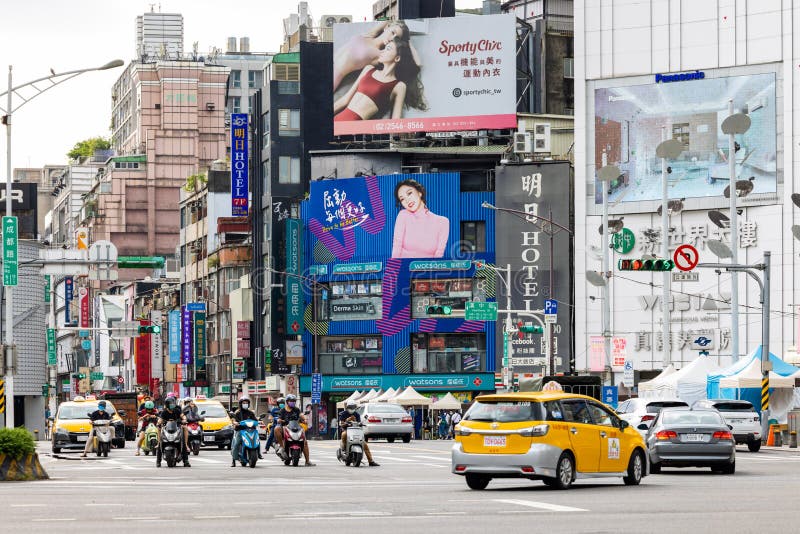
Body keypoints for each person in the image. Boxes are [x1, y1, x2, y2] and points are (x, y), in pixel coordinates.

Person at [334, 37, 426, 122]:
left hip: (354, 129)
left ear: (397, 58)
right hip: (337, 120)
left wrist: (408, 41)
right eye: (384, 48)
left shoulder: (399, 86)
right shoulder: (368, 69)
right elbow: (345, 100)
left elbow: (395, 122)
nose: (382, 52)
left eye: (388, 49)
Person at [333, 20, 417, 91]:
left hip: (335, 75)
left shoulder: (381, 54)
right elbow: (387, 18)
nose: (392, 38)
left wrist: (407, 41)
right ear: (387, 27)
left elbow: (418, 63)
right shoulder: (369, 35)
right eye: (392, 32)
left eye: (396, 38)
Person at [391, 179, 449, 258]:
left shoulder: (442, 222)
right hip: (404, 268)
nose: (407, 200)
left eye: (409, 193)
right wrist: (392, 270)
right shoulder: (403, 215)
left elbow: (439, 255)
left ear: (419, 192)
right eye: (402, 199)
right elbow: (396, 246)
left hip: (428, 269)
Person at [273, 394, 315, 466]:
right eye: (291, 401)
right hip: (285, 428)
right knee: (276, 429)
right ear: (287, 402)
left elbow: (301, 415)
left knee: (304, 442)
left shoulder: (296, 409)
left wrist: (304, 419)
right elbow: (279, 418)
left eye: (294, 401)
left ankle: (307, 461)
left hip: (296, 428)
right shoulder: (282, 410)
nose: (292, 402)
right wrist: (280, 420)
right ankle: (282, 446)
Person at [338, 401, 379, 466]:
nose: (352, 409)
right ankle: (344, 447)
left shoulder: (357, 414)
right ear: (347, 407)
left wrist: (360, 423)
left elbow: (359, 422)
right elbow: (341, 423)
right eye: (350, 407)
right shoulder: (344, 414)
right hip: (347, 430)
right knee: (343, 434)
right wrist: (346, 421)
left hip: (356, 431)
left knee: (365, 445)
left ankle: (371, 461)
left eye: (353, 407)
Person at [157, 395, 190, 467]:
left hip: (177, 429)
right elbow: (160, 419)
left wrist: (184, 420)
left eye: (173, 403)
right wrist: (159, 423)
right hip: (167, 430)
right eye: (171, 403)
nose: (172, 405)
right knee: (160, 442)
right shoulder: (164, 412)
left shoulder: (177, 410)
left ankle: (186, 461)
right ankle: (158, 461)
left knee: (184, 433)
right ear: (167, 405)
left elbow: (182, 416)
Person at [230, 396, 258, 467]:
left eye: (246, 403)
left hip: (250, 430)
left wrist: (258, 421)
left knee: (257, 441)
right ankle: (234, 459)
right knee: (236, 443)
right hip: (240, 430)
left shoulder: (251, 413)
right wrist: (235, 422)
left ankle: (259, 454)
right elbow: (233, 420)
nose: (245, 404)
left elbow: (255, 420)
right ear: (240, 404)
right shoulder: (237, 412)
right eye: (243, 403)